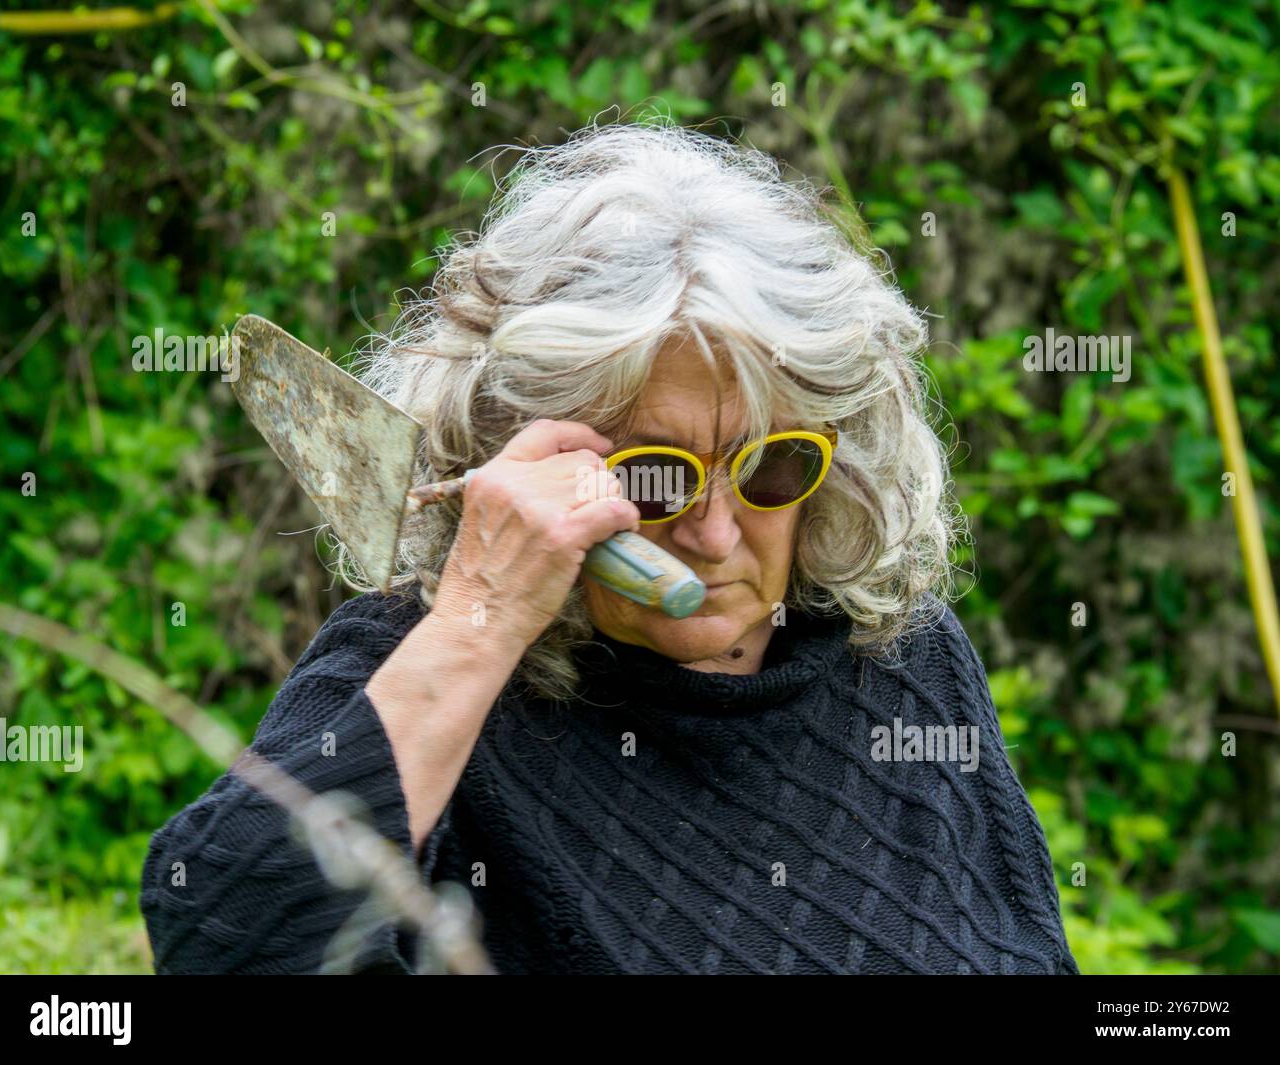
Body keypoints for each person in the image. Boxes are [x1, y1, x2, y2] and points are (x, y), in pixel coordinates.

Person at [140, 123, 1079, 975]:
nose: (713, 533)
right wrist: (483, 614)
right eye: (654, 476)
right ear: (521, 458)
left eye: (773, 466)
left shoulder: (904, 661)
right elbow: (219, 933)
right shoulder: (421, 671)